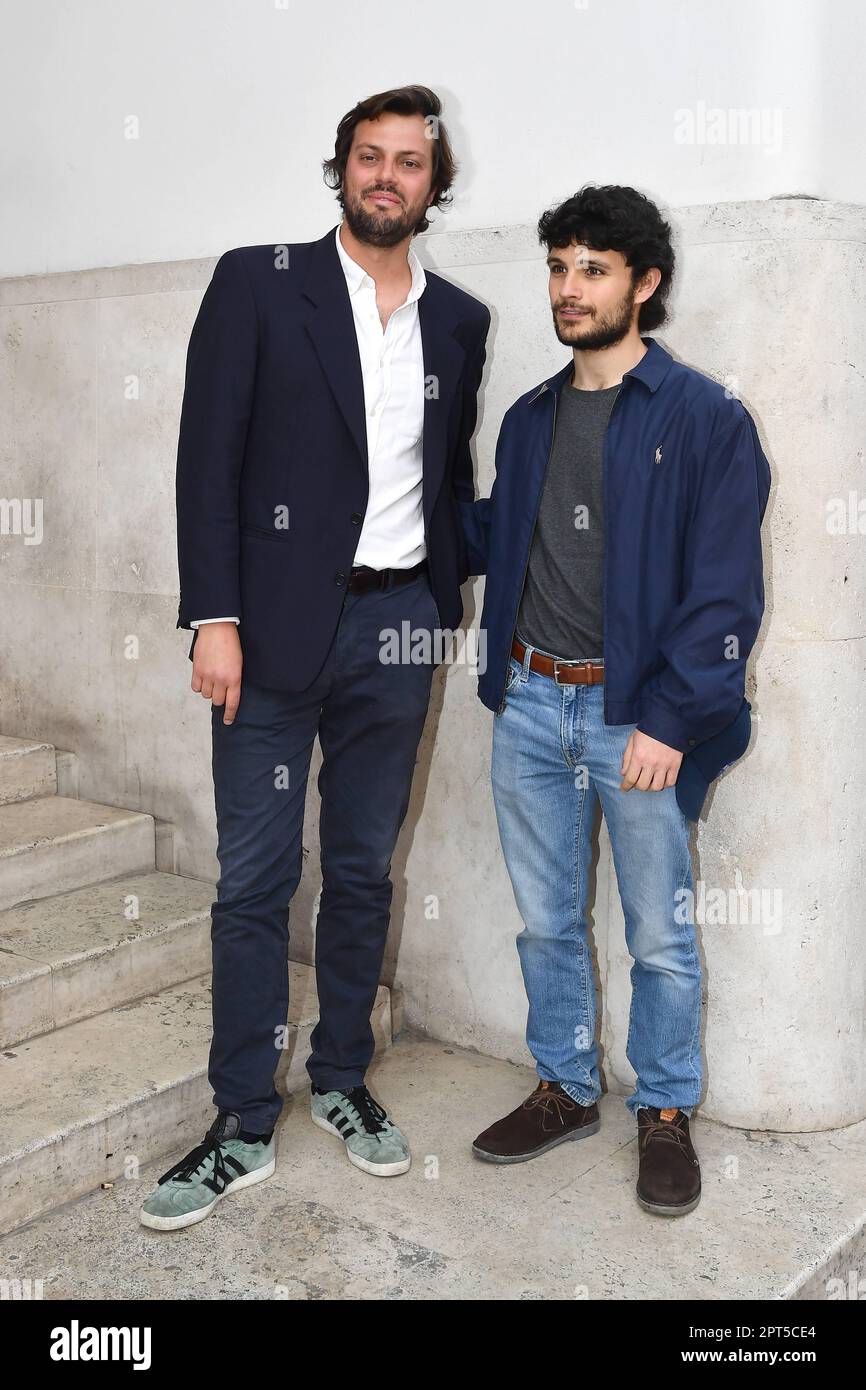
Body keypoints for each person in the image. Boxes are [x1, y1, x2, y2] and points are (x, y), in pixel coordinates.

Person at [140, 85, 490, 1230]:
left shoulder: (458, 321)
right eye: (368, 156)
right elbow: (208, 459)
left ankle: (341, 1075)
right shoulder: (259, 281)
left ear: (434, 184)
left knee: (362, 868)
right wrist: (215, 617)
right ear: (340, 169)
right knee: (252, 880)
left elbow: (445, 478)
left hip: (397, 632)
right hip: (269, 634)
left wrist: (447, 592)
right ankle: (242, 1117)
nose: (387, 175)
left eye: (408, 161)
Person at [461, 184, 771, 1217]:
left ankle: (665, 1108)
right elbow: (496, 535)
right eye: (558, 266)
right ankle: (564, 1088)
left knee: (658, 936)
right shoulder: (528, 418)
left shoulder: (704, 418)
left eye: (592, 269)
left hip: (636, 717)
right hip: (529, 706)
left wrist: (670, 721)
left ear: (644, 283)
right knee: (545, 923)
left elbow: (724, 594)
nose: (568, 287)